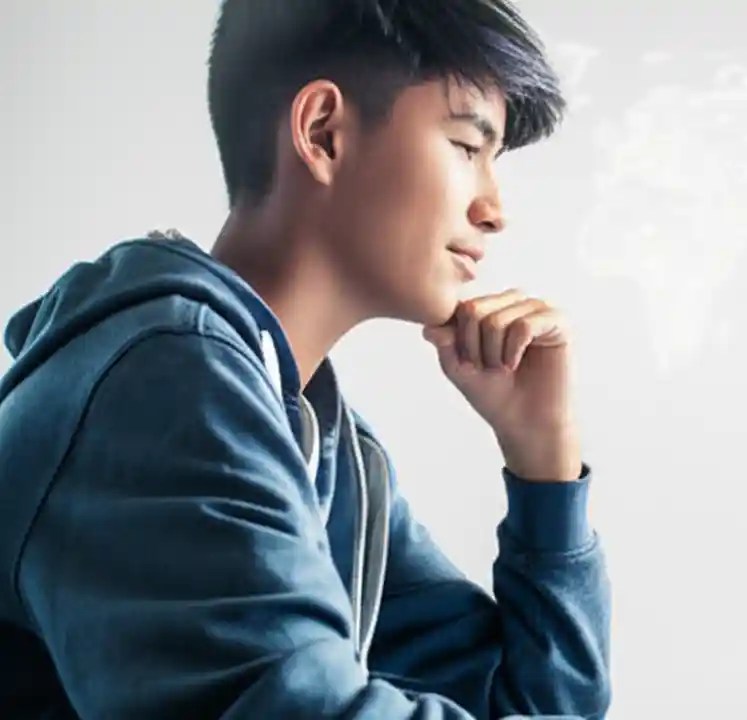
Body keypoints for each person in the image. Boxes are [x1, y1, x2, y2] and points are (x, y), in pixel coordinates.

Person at [0, 1, 610, 717]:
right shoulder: (165, 382)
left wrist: (545, 462)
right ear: (323, 131)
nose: (494, 208)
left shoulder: (328, 451)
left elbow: (530, 705)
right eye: (466, 147)